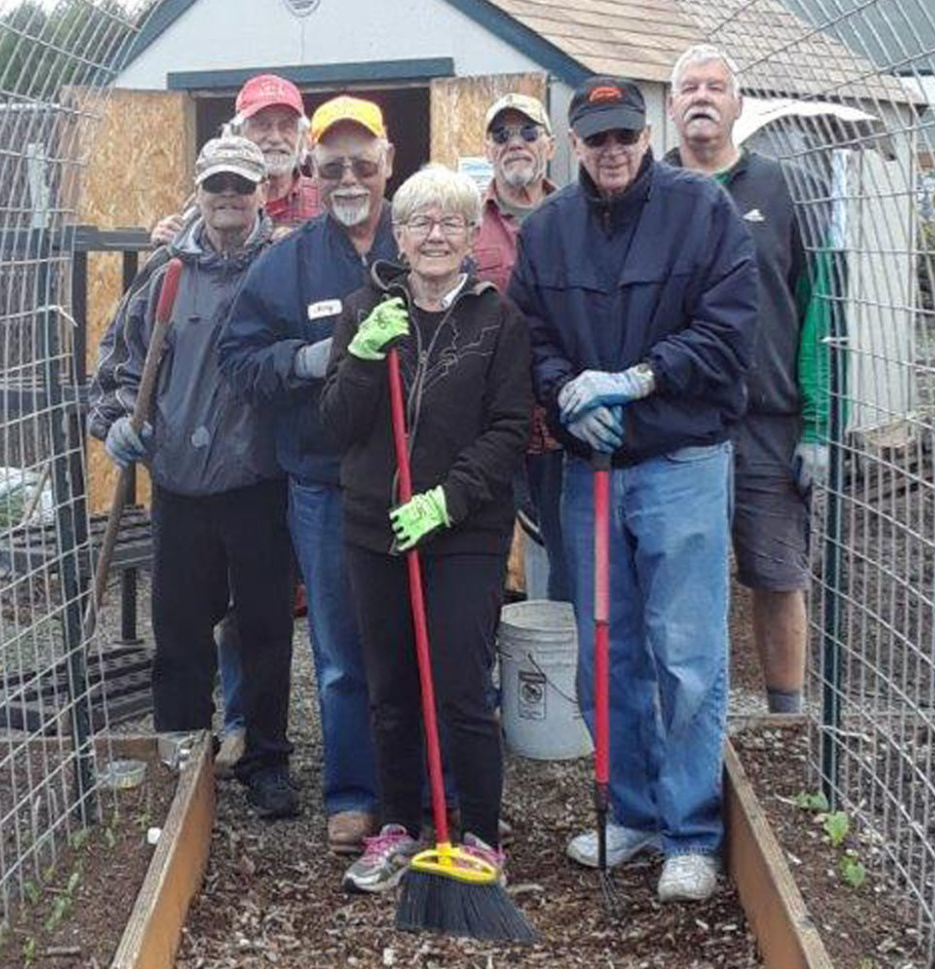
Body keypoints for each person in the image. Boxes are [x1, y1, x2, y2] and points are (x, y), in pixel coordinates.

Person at [509, 77, 757, 901]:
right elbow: (530, 337)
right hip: (594, 471)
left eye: (624, 137)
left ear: (644, 135)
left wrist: (640, 379)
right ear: (572, 144)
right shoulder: (548, 232)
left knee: (684, 654)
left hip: (682, 462)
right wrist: (568, 399)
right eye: (596, 139)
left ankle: (691, 830)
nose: (611, 152)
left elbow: (728, 332)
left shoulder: (701, 212)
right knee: (605, 652)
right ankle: (635, 812)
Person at [320, 165, 532, 893]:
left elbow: (508, 432)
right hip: (374, 530)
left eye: (452, 222)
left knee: (461, 687)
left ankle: (479, 833)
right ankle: (396, 827)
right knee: (390, 689)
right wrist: (357, 356)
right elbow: (337, 427)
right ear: (399, 236)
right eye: (420, 222)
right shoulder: (364, 311)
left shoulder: (496, 319)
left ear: (474, 237)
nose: (435, 234)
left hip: (462, 533)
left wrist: (446, 499)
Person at [87, 136, 298, 818]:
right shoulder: (165, 275)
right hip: (178, 485)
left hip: (260, 484)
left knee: (265, 632)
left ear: (262, 189)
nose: (229, 197)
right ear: (199, 193)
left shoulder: (285, 265)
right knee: (178, 635)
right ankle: (182, 759)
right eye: (217, 186)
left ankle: (265, 760)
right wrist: (119, 422)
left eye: (241, 185)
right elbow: (118, 368)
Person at [219, 96, 397, 854]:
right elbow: (238, 358)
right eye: (333, 166)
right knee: (339, 652)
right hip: (323, 487)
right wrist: (305, 359)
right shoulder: (287, 262)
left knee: (423, 640)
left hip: (414, 484)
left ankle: (417, 790)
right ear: (311, 172)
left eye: (363, 162)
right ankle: (354, 794)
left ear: (388, 162)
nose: (348, 176)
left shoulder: (420, 236)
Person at [665, 45, 833, 715]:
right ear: (671, 106)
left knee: (777, 575)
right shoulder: (653, 190)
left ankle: (786, 720)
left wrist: (818, 423)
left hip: (767, 422)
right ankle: (693, 722)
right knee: (681, 586)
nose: (702, 97)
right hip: (678, 423)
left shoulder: (782, 188)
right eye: (689, 88)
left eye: (716, 86)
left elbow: (818, 302)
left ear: (738, 104)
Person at [473, 93, 568, 602]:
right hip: (487, 426)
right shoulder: (465, 223)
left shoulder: (576, 215)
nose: (516, 144)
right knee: (488, 569)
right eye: (502, 135)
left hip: (558, 428)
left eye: (528, 133)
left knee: (563, 564)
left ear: (550, 145)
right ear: (488, 150)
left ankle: (562, 675)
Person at [152, 73, 320, 245]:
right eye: (262, 125)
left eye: (286, 126)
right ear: (236, 134)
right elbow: (188, 250)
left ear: (301, 136)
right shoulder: (212, 198)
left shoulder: (324, 201)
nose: (275, 138)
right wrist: (171, 238)